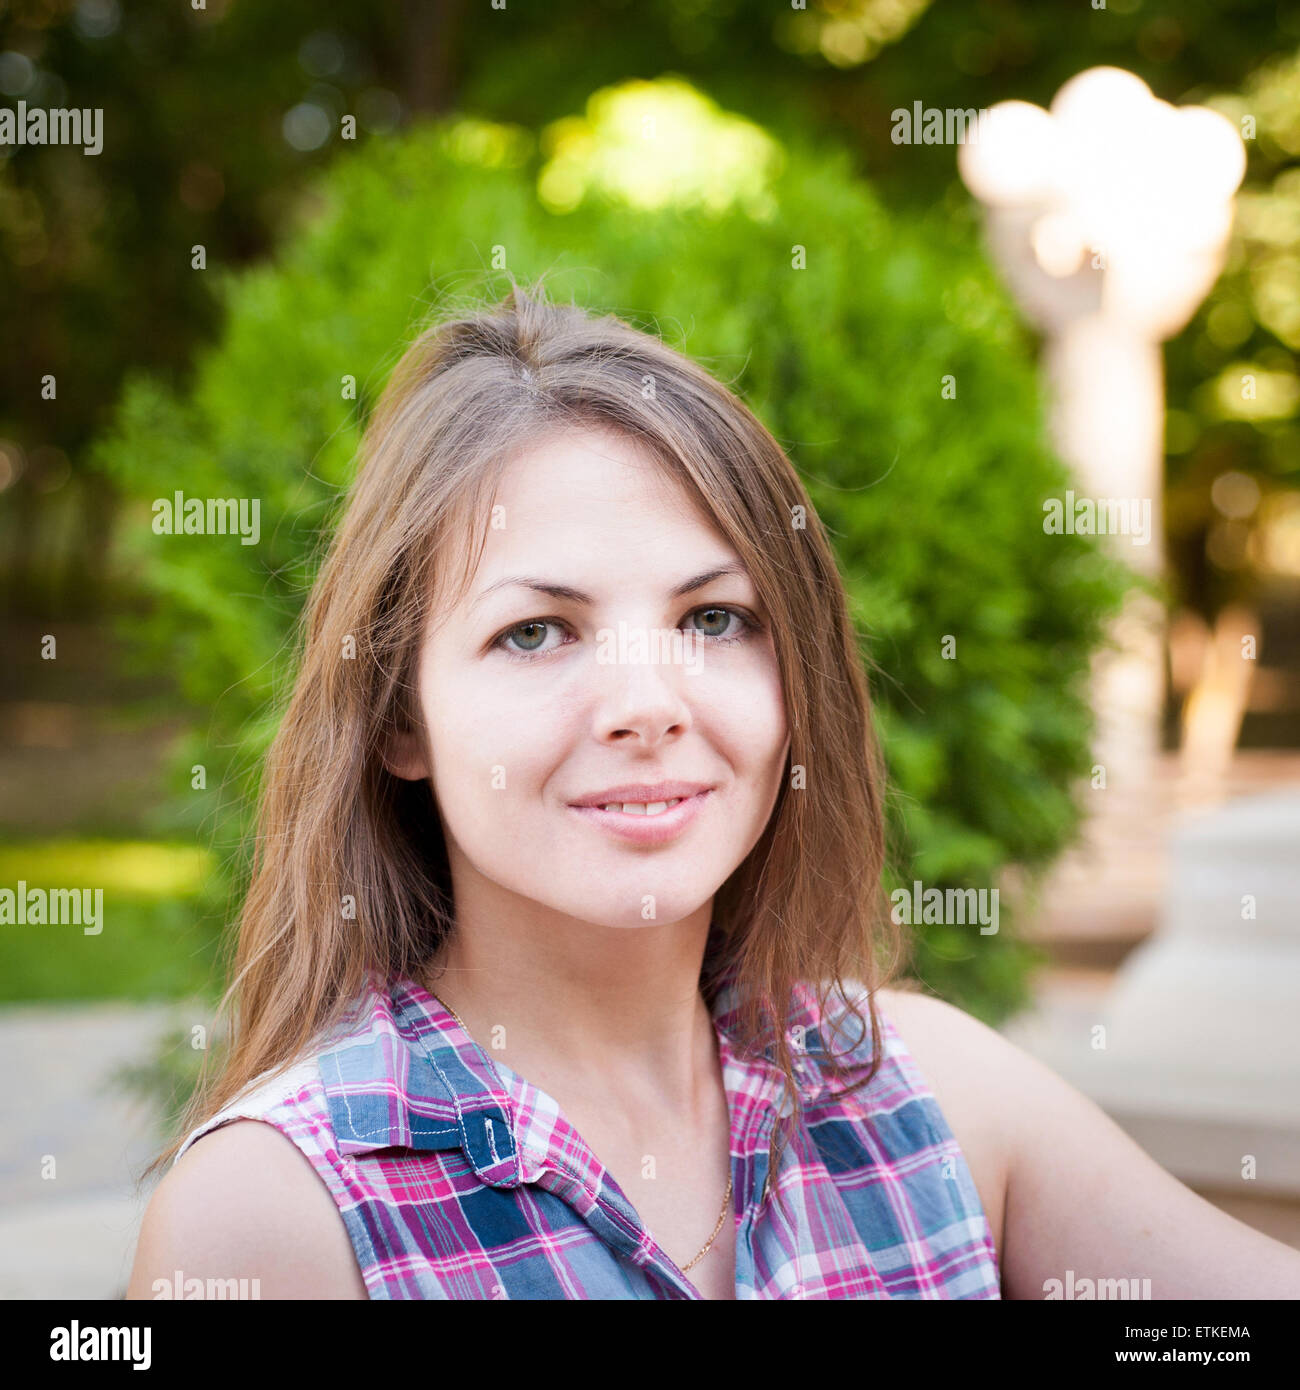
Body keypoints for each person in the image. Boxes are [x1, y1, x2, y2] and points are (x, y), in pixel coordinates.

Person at [128, 280, 1300, 1300]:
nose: (651, 703)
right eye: (537, 632)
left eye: (714, 618)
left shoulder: (927, 1092)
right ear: (398, 718)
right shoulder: (274, 1213)